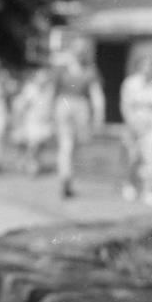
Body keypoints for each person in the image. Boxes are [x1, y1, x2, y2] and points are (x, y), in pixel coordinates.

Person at [51, 38, 105, 199]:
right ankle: (65, 176)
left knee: (76, 144)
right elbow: (52, 90)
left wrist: (99, 113)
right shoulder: (62, 68)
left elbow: (96, 94)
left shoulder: (90, 70)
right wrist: (49, 109)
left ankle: (69, 175)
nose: (80, 54)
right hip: (64, 104)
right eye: (77, 50)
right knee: (66, 143)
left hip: (81, 107)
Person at [119, 55, 152, 206]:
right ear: (139, 66)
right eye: (145, 65)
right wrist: (132, 123)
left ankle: (149, 190)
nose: (148, 69)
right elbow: (126, 105)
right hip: (135, 121)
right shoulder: (131, 83)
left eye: (151, 66)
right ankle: (129, 185)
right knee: (133, 156)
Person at [10, 66, 56, 177]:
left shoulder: (50, 91)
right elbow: (22, 106)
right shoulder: (30, 90)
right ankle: (32, 165)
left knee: (40, 145)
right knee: (33, 145)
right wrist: (18, 122)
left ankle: (32, 162)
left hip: (44, 122)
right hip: (32, 122)